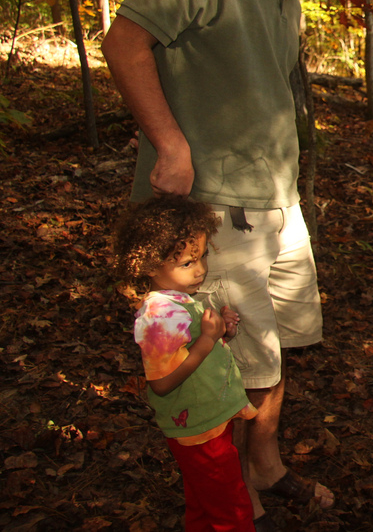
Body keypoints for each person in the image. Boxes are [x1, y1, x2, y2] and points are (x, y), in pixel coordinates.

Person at [101, 0, 373, 525]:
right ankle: (230, 488)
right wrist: (169, 143)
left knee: (273, 352)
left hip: (279, 205)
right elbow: (124, 41)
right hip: (218, 209)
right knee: (230, 359)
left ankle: (266, 465)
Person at [113, 196, 258, 531]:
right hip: (198, 430)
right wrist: (207, 340)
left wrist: (221, 332)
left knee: (204, 504)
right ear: (150, 266)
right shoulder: (159, 316)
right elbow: (161, 383)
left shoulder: (178, 300)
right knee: (232, 509)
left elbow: (192, 352)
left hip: (208, 419)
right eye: (187, 263)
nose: (201, 269)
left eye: (203, 256)